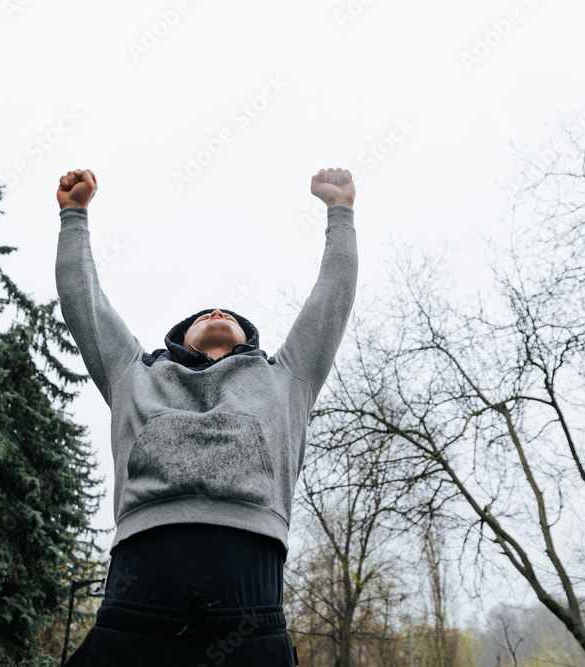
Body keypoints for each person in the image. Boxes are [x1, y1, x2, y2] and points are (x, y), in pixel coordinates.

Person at [56, 166, 358, 666]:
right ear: (179, 338)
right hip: (134, 606)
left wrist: (340, 212)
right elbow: (83, 304)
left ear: (249, 341)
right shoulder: (135, 376)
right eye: (205, 314)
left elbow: (332, 300)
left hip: (249, 613)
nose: (218, 312)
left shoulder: (286, 380)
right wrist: (74, 217)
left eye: (230, 315)